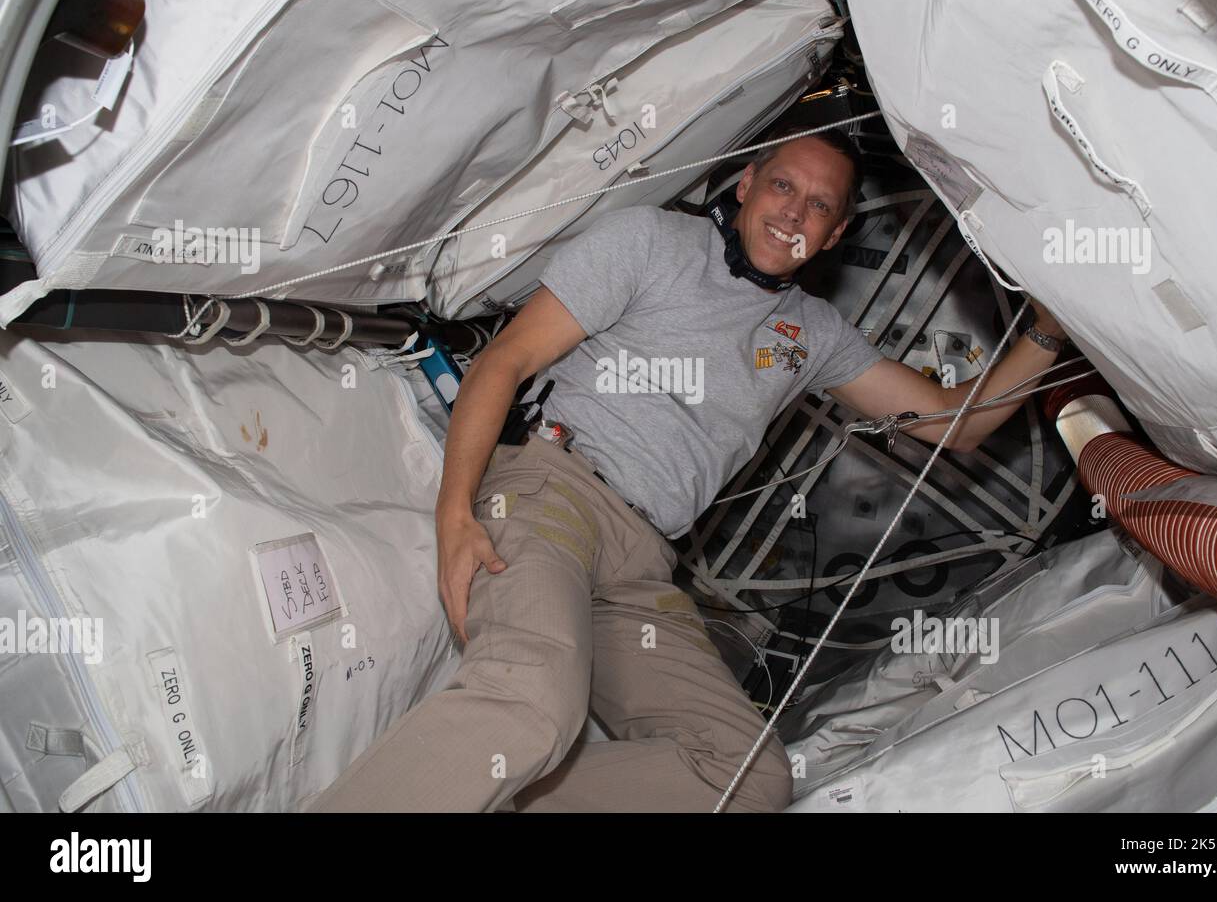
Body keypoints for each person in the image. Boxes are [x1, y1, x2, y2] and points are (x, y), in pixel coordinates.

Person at [310, 124, 1067, 813]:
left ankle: (484, 795)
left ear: (835, 234)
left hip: (645, 565)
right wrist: (457, 515)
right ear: (745, 185)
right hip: (556, 491)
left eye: (818, 205)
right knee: (534, 703)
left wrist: (1045, 328)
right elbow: (504, 362)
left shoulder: (815, 332)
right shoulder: (651, 242)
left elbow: (953, 425)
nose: (794, 212)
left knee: (745, 778)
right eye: (781, 186)